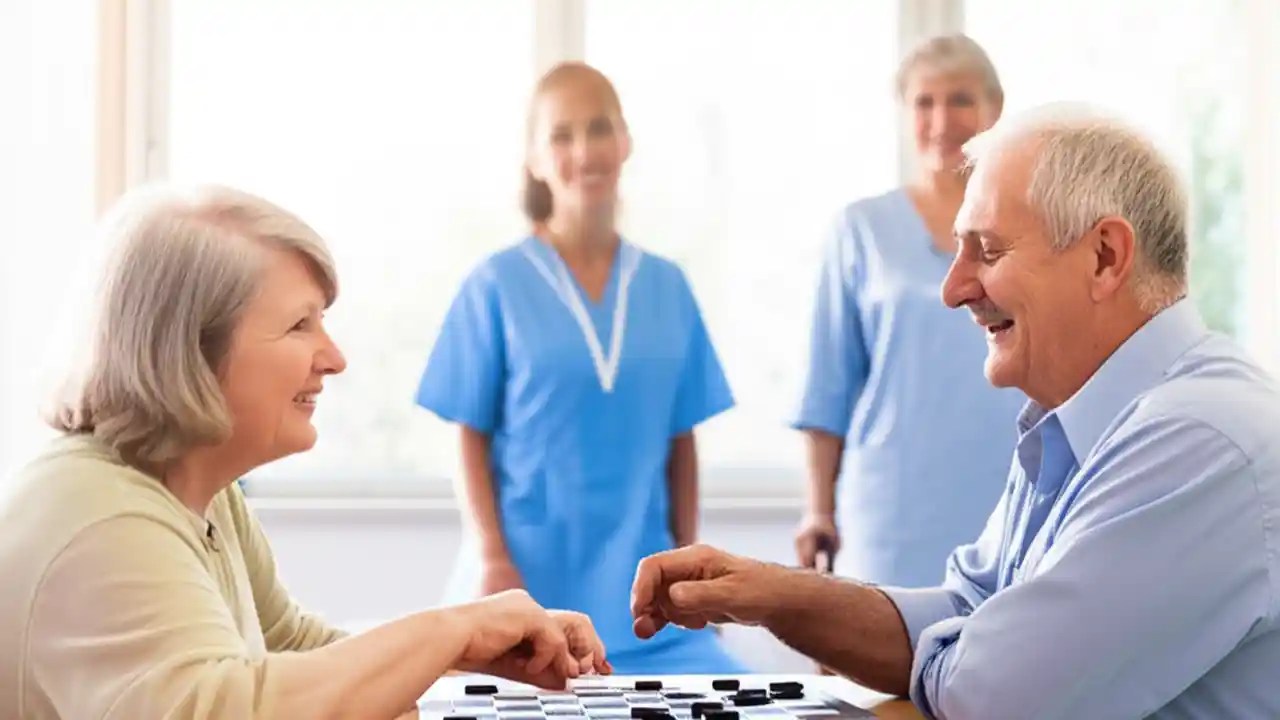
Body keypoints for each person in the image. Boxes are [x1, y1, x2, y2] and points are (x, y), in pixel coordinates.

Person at [629, 107, 1280, 719]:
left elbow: (991, 693)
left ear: (1105, 257)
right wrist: (770, 593)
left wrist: (963, 645)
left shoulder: (1200, 439)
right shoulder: (1075, 424)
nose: (952, 288)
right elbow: (968, 612)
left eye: (987, 251)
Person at [0, 184, 610, 720]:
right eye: (300, 325)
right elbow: (233, 711)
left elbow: (294, 649)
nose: (334, 357)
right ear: (191, 351)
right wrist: (458, 628)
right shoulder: (103, 518)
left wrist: (477, 653)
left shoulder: (200, 494)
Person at [415, 61, 744, 674]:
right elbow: (467, 434)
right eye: (561, 135)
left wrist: (686, 561)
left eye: (598, 129)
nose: (584, 150)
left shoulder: (667, 287)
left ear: (625, 143)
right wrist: (490, 553)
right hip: (524, 596)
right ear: (535, 158)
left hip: (646, 608)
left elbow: (681, 441)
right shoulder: (496, 285)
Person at [793, 34, 1025, 587]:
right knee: (881, 663)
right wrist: (817, 510)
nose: (943, 120)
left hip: (1011, 495)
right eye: (925, 102)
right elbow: (828, 390)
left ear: (995, 110)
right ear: (904, 114)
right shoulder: (861, 230)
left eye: (961, 100)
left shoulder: (1033, 227)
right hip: (890, 513)